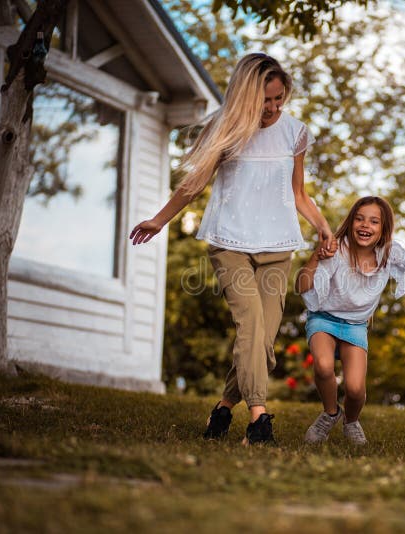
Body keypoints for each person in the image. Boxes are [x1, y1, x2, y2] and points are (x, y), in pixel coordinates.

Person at [129, 53, 336, 445]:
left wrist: (322, 225)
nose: (273, 108)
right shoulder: (224, 129)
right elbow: (194, 183)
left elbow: (298, 192)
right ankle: (259, 421)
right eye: (265, 101)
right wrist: (160, 219)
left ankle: (223, 410)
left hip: (278, 246)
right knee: (250, 326)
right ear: (245, 98)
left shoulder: (295, 132)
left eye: (279, 99)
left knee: (262, 342)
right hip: (230, 244)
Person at [296, 196, 405, 445]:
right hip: (324, 318)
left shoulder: (388, 253)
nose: (365, 225)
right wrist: (316, 257)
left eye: (373, 221)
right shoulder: (337, 249)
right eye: (359, 219)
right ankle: (329, 414)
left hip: (355, 326)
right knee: (324, 366)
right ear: (351, 222)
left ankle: (351, 421)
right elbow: (302, 286)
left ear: (383, 229)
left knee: (356, 390)